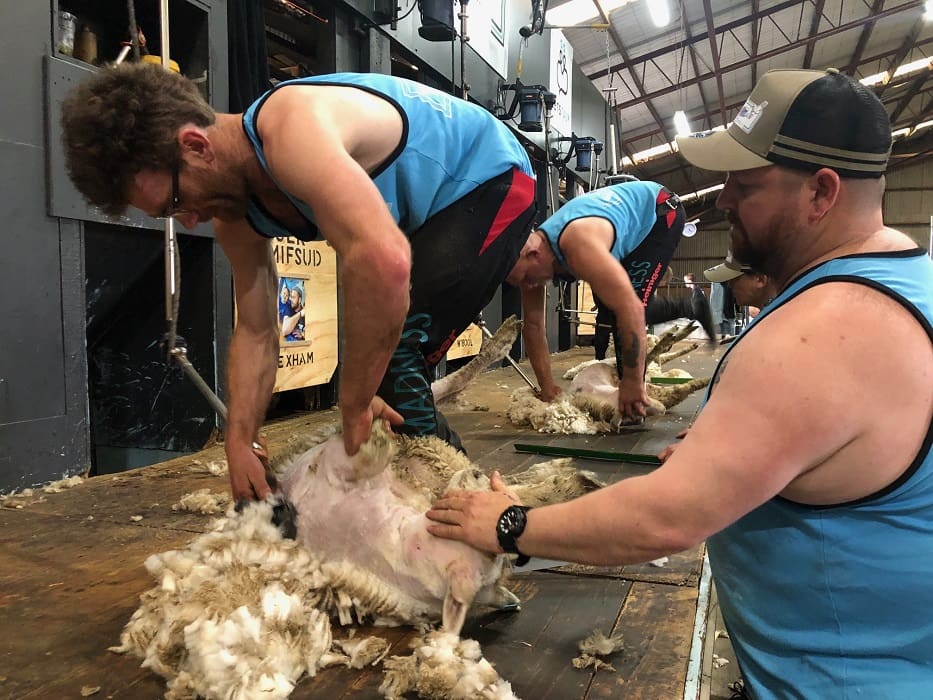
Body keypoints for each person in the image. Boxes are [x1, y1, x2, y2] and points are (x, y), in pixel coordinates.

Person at [427, 67, 933, 698]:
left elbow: (667, 520)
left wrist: (510, 524)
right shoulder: (908, 284)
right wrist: (730, 455)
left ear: (822, 192)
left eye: (744, 185)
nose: (721, 200)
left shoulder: (823, 330)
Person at [61, 64, 537, 501]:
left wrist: (351, 404)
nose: (187, 222)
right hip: (425, 211)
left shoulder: (291, 129)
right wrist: (240, 438)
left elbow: (384, 263)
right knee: (386, 373)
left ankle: (471, 506)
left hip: (490, 174)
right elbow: (256, 329)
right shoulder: (236, 215)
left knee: (396, 358)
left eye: (175, 203)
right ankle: (436, 505)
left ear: (195, 145)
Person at [506, 179, 714, 420]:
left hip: (659, 213)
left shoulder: (578, 245)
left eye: (527, 278)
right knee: (610, 310)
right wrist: (547, 386)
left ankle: (635, 396)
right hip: (622, 225)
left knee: (631, 304)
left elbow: (631, 309)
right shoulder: (530, 263)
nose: (529, 286)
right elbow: (533, 325)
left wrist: (633, 382)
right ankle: (689, 308)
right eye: (521, 283)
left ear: (534, 254)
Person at [704, 250, 777, 325]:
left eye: (735, 279)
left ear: (760, 279)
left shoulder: (777, 320)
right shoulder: (771, 315)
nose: (729, 285)